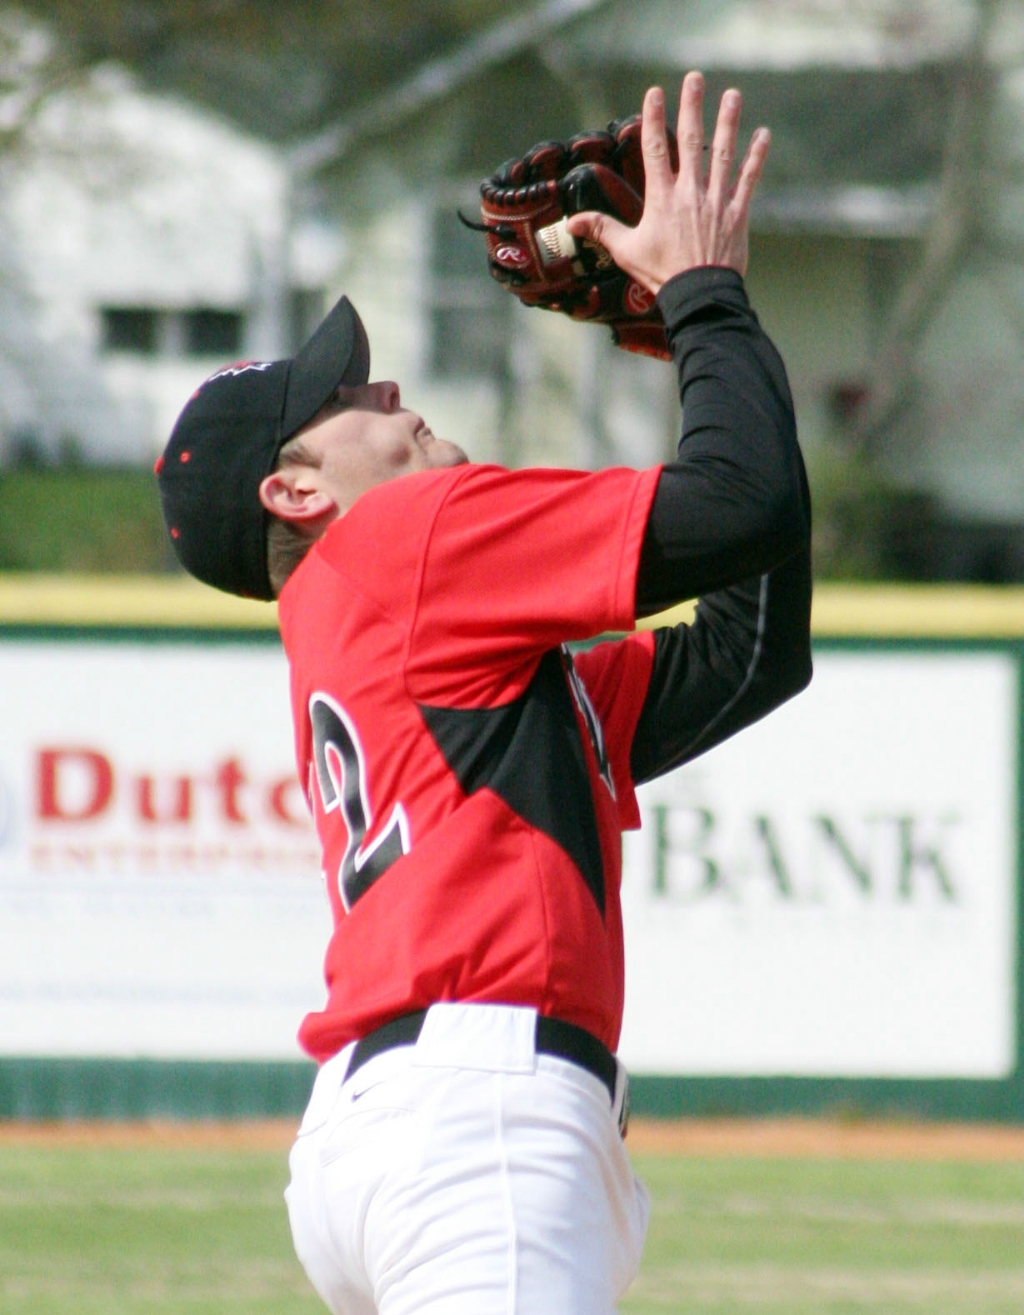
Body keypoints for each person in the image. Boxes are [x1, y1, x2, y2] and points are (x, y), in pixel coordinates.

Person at [157, 71, 812, 1315]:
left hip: (415, 1122)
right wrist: (702, 298)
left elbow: (747, 650)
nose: (387, 392)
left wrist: (710, 337)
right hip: (475, 1116)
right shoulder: (403, 544)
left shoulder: (429, 642)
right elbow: (742, 507)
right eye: (344, 400)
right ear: (295, 494)